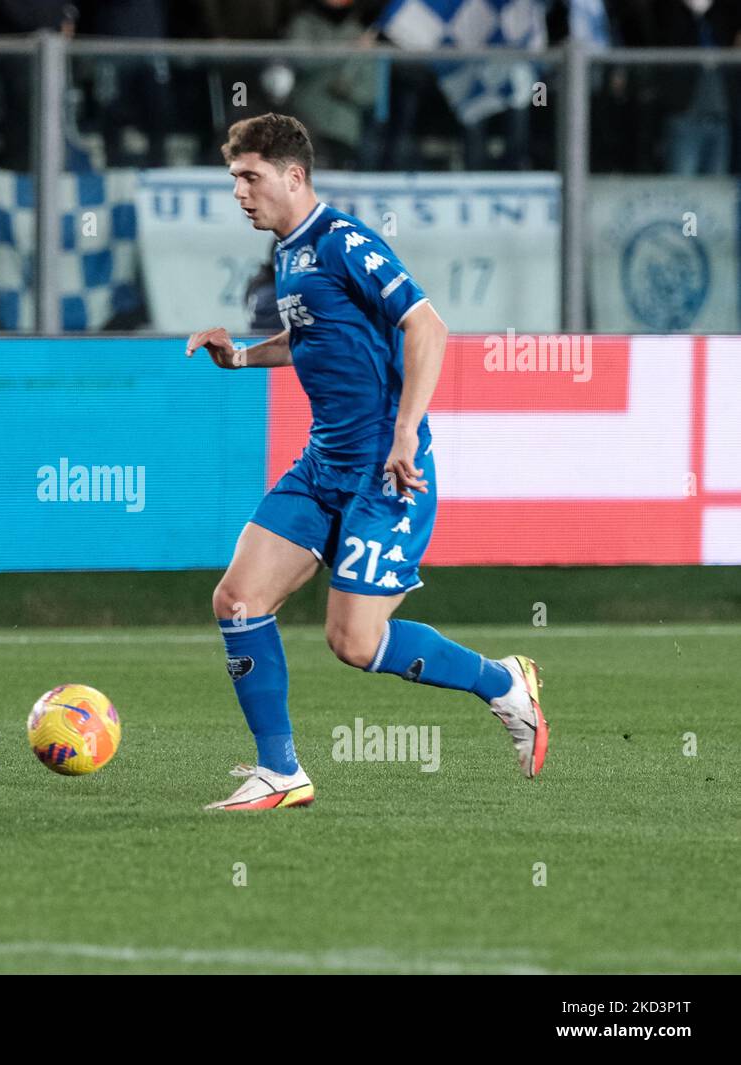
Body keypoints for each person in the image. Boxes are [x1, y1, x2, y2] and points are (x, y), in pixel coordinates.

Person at [186, 114, 547, 811]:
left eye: (250, 177)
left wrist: (407, 429)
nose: (239, 192)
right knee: (236, 598)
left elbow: (426, 324)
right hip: (323, 466)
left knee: (353, 641)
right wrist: (241, 356)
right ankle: (280, 771)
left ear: (294, 177)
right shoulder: (289, 252)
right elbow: (309, 337)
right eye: (234, 178)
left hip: (387, 473)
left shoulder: (342, 240)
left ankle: (501, 682)